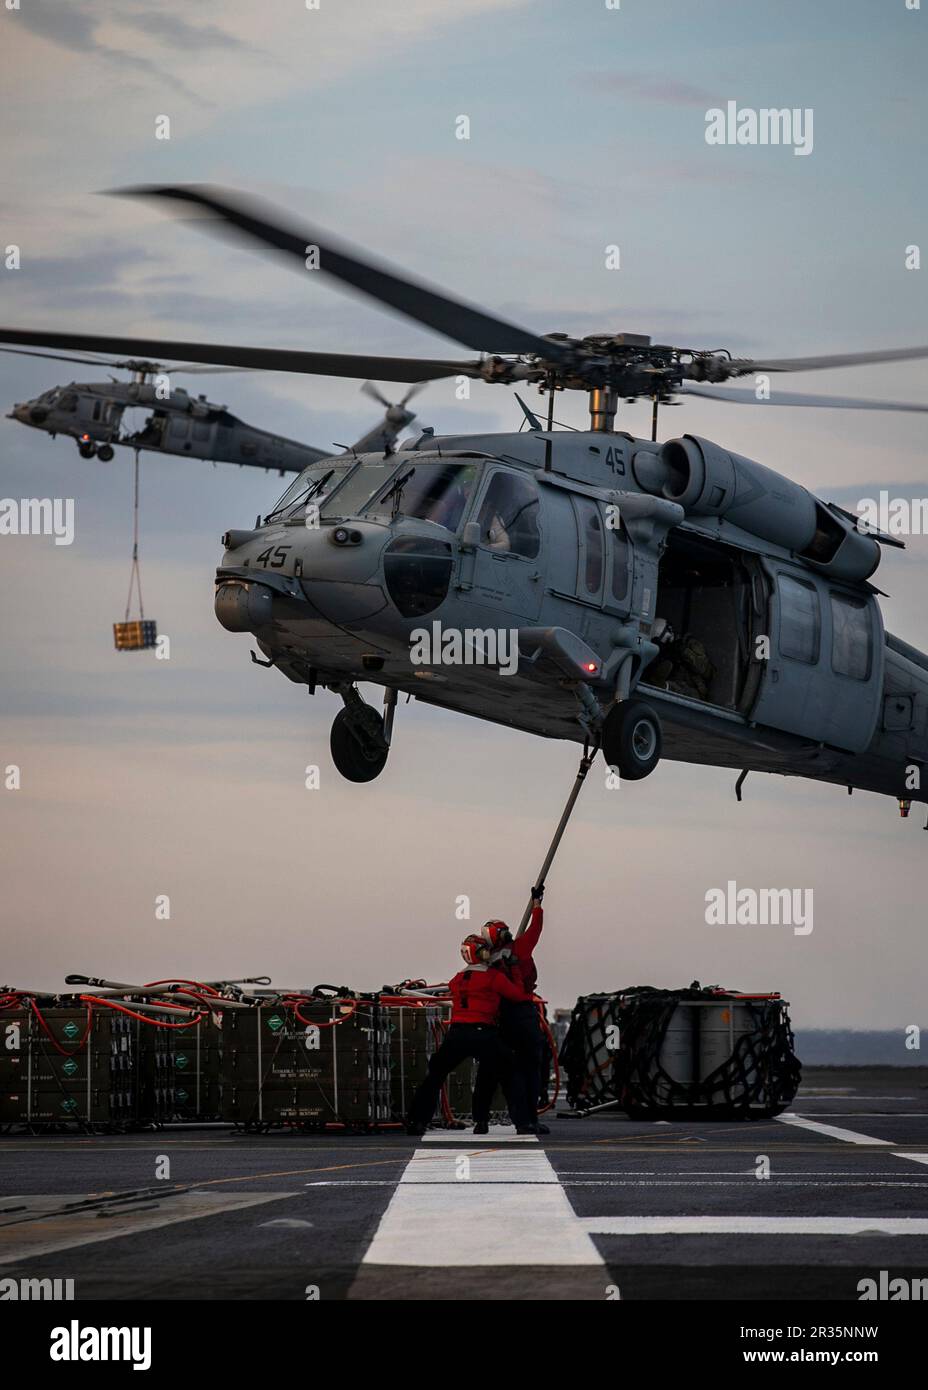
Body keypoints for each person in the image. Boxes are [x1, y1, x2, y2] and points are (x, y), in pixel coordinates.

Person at [406, 933, 534, 1136]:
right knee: (510, 1073)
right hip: (484, 1033)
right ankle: (522, 1123)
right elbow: (519, 996)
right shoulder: (493, 977)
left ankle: (417, 1121)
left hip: (457, 1033)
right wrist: (516, 969)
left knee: (435, 1076)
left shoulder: (457, 980)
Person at [471, 885, 549, 1136]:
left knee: (493, 1070)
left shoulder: (485, 962)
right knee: (530, 1068)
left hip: (497, 1018)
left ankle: (481, 1120)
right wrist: (537, 905)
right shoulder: (519, 950)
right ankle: (528, 1120)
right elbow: (535, 930)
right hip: (522, 1014)